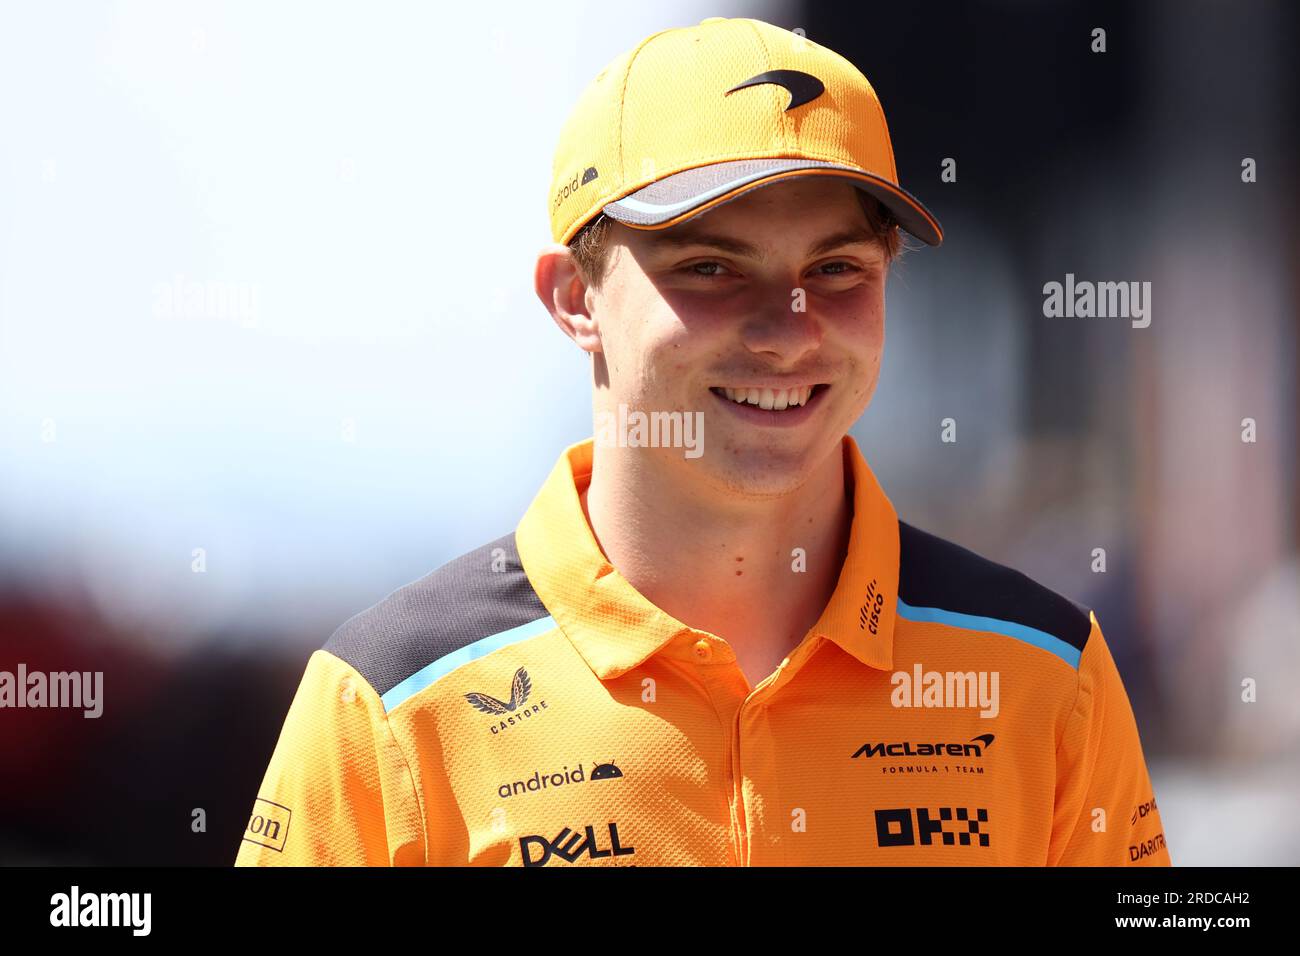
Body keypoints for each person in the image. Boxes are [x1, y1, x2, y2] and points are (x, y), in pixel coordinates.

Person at [235, 16, 1171, 867]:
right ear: (574, 298)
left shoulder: (1044, 672)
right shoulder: (392, 702)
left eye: (837, 267)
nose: (790, 328)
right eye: (712, 267)